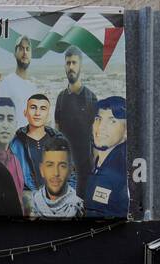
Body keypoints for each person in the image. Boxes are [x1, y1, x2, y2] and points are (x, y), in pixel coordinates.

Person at [55, 47, 99, 193]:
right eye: (68, 63)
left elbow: (97, 136)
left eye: (74, 63)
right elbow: (57, 133)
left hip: (86, 168)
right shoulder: (61, 98)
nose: (71, 67)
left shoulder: (91, 98)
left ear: (81, 65)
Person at [83, 95, 128, 217]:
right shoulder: (102, 160)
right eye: (98, 119)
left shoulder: (116, 174)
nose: (101, 127)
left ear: (126, 132)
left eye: (112, 121)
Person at [10, 93, 63, 193]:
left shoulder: (59, 141)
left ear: (48, 114)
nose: (37, 113)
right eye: (33, 107)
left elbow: (71, 175)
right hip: (27, 202)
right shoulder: (15, 144)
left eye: (43, 108)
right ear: (25, 112)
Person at [24, 135, 85, 219]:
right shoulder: (29, 208)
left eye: (62, 166)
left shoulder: (81, 210)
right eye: (50, 165)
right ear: (42, 170)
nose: (56, 173)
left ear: (70, 170)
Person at [0, 35, 39, 125]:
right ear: (15, 53)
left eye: (27, 49)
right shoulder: (7, 83)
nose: (25, 52)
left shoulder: (33, 87)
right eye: (21, 49)